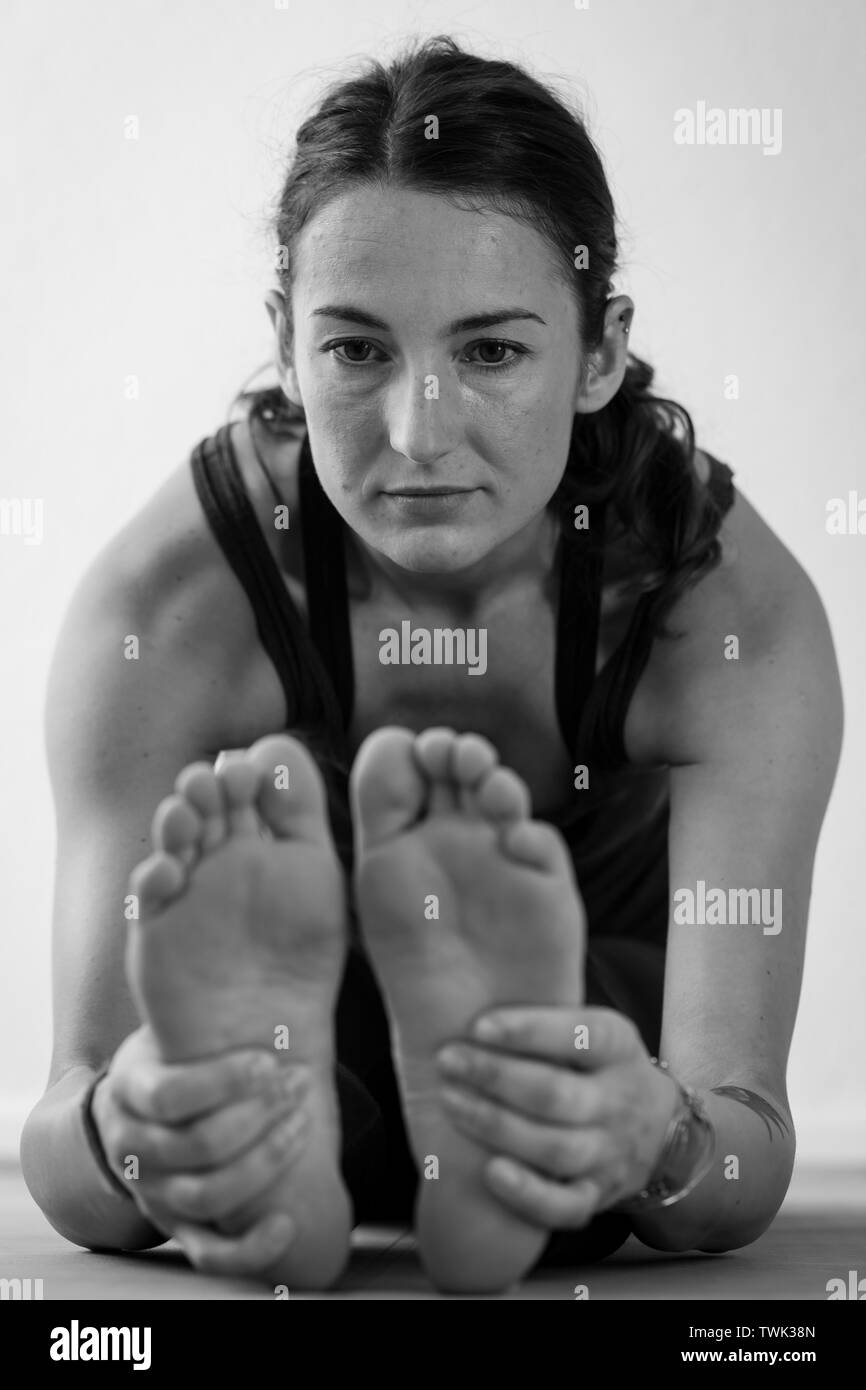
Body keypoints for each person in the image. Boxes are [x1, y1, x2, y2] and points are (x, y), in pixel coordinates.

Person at [20, 36, 842, 1295]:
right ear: (287, 344)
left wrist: (658, 1136)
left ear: (600, 353)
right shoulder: (174, 602)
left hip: (576, 1049)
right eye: (355, 350)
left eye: (492, 352)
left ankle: (497, 1089)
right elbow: (63, 1129)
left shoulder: (720, 611)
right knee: (209, 1079)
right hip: (305, 1048)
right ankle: (276, 1125)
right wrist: (132, 1127)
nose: (417, 432)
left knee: (598, 1085)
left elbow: (736, 1151)